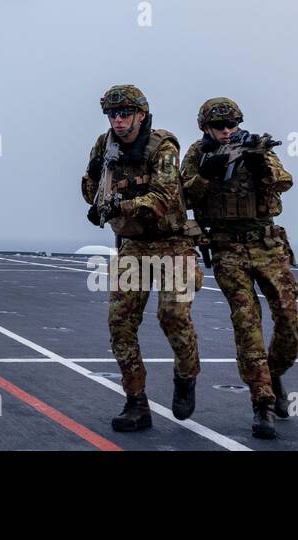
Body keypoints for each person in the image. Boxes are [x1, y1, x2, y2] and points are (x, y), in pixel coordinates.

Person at [182, 97, 298, 439]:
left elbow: (283, 182)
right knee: (246, 322)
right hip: (226, 248)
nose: (226, 131)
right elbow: (183, 197)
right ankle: (262, 402)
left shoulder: (255, 146)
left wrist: (258, 163)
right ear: (205, 127)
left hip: (266, 244)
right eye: (218, 126)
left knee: (290, 323)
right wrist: (207, 175)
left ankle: (273, 372)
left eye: (231, 125)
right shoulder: (197, 154)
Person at [82, 84, 202, 432]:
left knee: (172, 316)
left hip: (173, 243)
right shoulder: (104, 146)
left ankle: (186, 374)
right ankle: (136, 402)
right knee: (120, 323)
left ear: (141, 115)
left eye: (124, 114)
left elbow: (164, 195)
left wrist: (121, 206)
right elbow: (93, 193)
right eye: (112, 115)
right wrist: (92, 177)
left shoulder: (162, 146)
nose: (117, 121)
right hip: (132, 245)